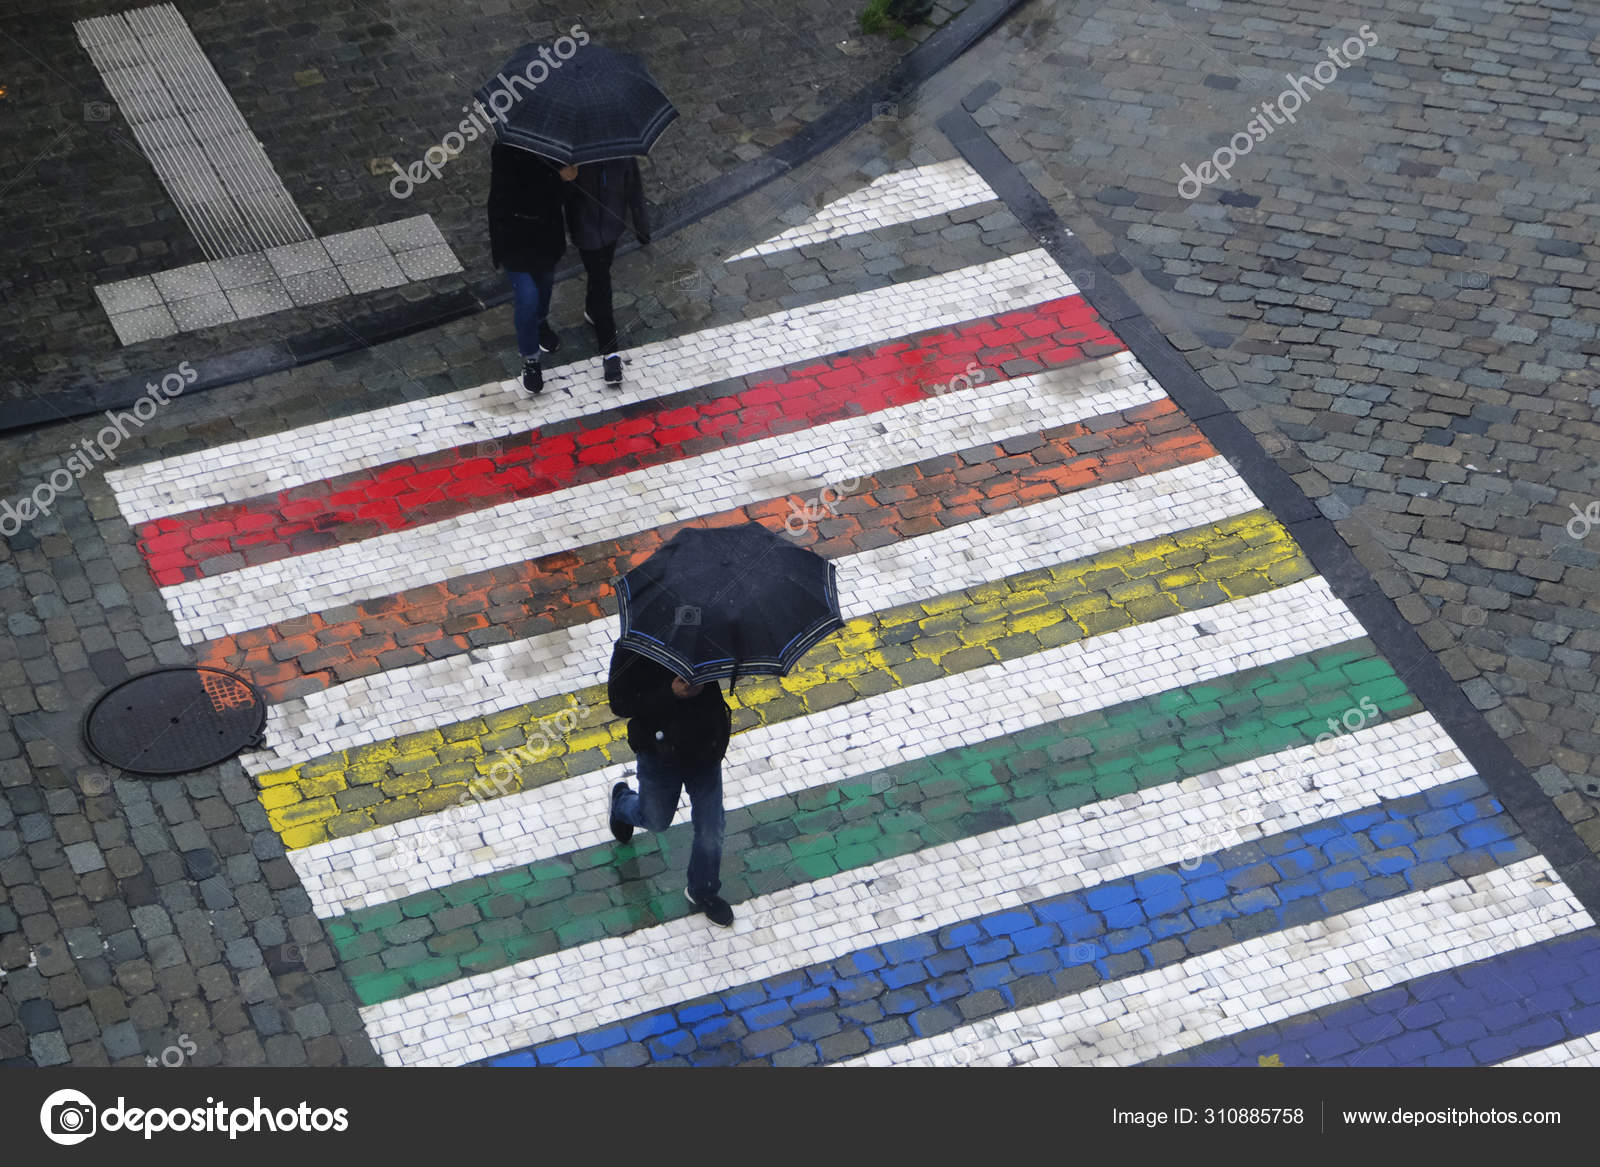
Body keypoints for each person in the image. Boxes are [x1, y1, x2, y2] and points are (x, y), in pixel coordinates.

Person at [606, 643, 733, 926]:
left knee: (712, 826)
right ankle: (622, 803)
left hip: (705, 747)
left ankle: (703, 890)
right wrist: (670, 693)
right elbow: (620, 702)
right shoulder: (633, 646)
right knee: (655, 819)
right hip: (659, 752)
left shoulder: (708, 633)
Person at [487, 142, 577, 395]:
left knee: (544, 286)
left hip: (546, 237)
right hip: (515, 238)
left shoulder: (557, 149)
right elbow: (517, 195)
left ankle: (540, 322)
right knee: (527, 296)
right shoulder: (506, 150)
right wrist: (557, 178)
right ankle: (531, 358)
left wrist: (568, 181)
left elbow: (560, 200)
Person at [563, 157, 651, 385]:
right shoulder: (571, 156)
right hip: (585, 231)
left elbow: (633, 186)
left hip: (612, 226)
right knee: (602, 281)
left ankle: (593, 310)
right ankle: (610, 351)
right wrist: (567, 181)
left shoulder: (619, 150)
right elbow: (559, 198)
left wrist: (641, 225)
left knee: (600, 275)